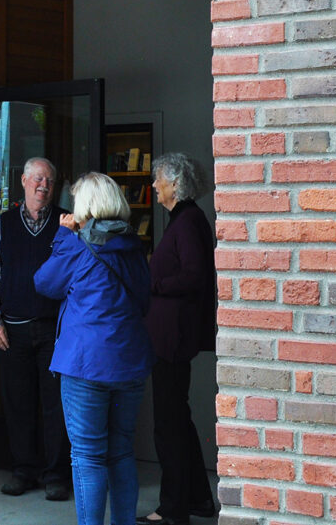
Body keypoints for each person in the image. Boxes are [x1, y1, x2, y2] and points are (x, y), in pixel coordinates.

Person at [34, 172, 153, 525]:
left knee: (87, 456)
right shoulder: (134, 246)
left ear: (84, 207)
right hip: (129, 363)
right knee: (120, 452)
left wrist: (62, 233)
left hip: (85, 365)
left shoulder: (76, 244)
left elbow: (44, 282)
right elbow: (144, 299)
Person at [0, 156, 73, 500]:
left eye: (48, 181)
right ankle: (23, 471)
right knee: (18, 404)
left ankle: (55, 474)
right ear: (24, 182)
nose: (43, 186)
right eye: (37, 180)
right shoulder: (2, 224)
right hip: (12, 330)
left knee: (54, 405)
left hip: (53, 332)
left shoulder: (66, 223)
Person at [137, 153, 217, 525]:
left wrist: (153, 284)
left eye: (158, 180)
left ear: (176, 183)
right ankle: (199, 498)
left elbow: (194, 275)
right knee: (178, 421)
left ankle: (172, 509)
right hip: (172, 336)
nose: (154, 185)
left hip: (171, 339)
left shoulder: (186, 222)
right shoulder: (186, 219)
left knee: (168, 426)